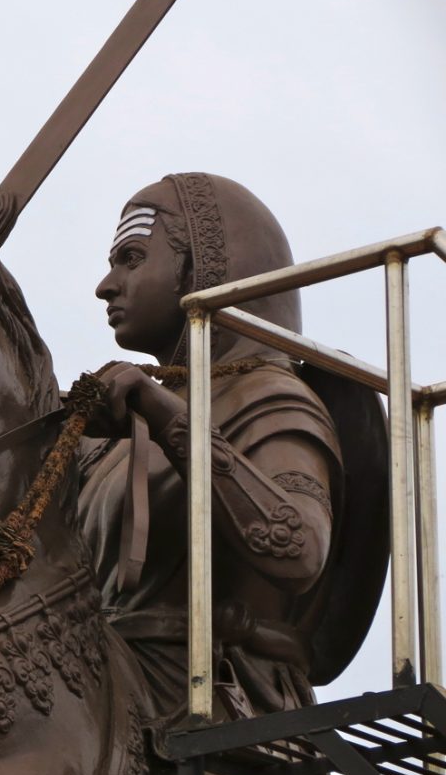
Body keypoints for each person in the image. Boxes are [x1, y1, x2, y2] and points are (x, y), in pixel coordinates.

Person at [76, 172, 353, 730]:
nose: (106, 285)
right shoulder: (112, 429)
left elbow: (296, 546)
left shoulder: (269, 398)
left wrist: (167, 416)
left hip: (219, 706)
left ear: (200, 268)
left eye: (131, 259)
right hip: (97, 686)